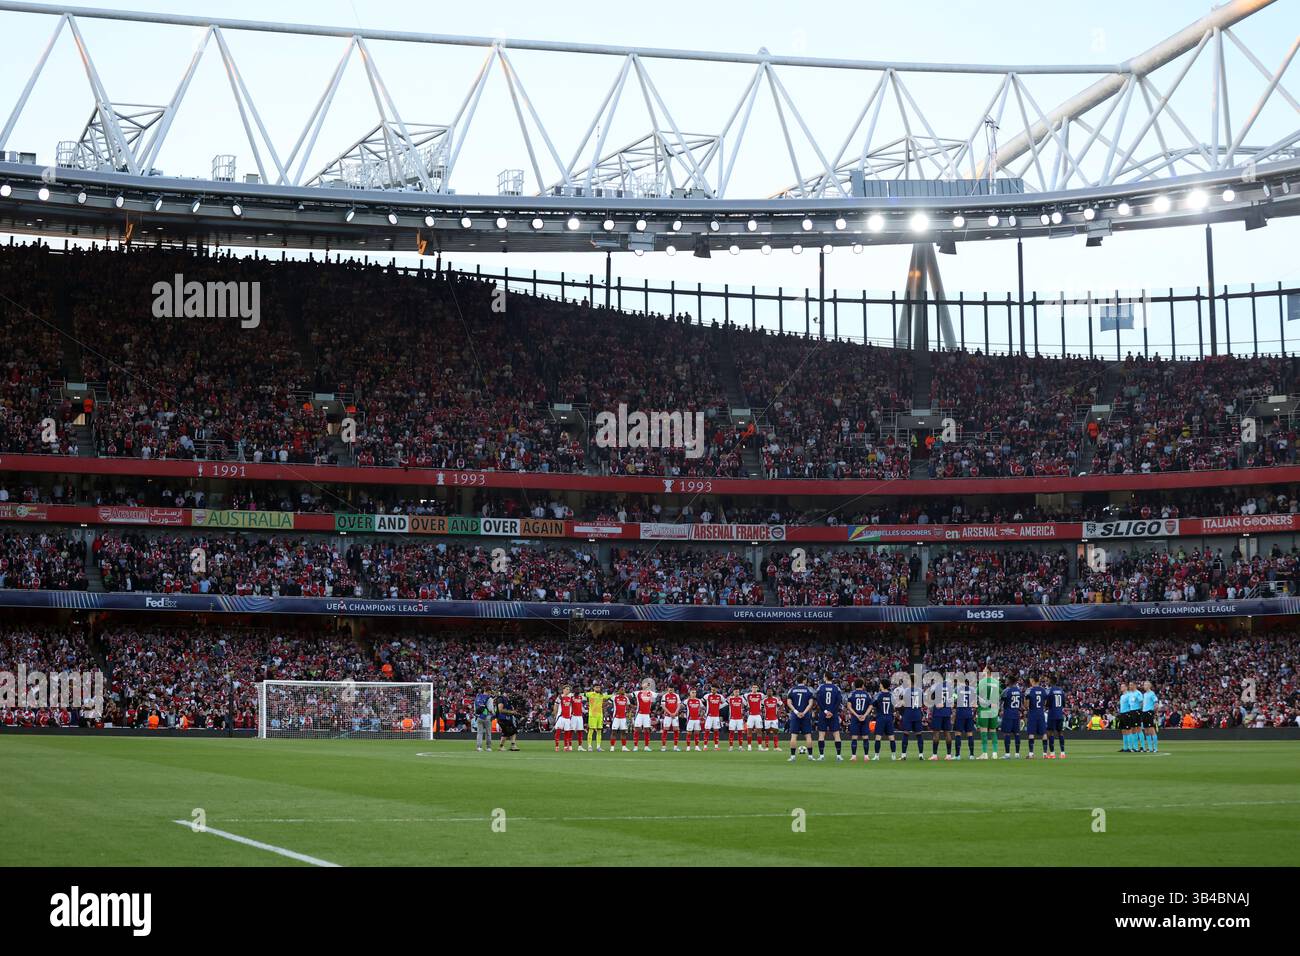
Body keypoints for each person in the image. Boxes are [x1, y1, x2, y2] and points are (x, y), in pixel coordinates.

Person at [814, 672, 843, 761]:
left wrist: (826, 711)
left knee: (821, 735)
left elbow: (818, 700)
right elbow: (838, 702)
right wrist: (832, 712)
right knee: (837, 735)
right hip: (833, 714)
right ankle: (838, 756)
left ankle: (821, 756)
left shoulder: (821, 687)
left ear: (826, 677)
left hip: (823, 713)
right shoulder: (836, 688)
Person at [786, 677, 816, 762]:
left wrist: (796, 712)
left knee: (793, 736)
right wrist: (804, 712)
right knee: (808, 736)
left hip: (795, 716)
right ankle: (810, 756)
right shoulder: (808, 690)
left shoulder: (792, 690)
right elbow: (810, 703)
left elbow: (789, 703)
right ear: (804, 681)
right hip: (805, 715)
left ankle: (792, 757)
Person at [977, 666, 1001, 759]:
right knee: (993, 731)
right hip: (994, 709)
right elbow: (1000, 693)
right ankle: (995, 753)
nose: (982, 671)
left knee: (984, 731)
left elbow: (977, 692)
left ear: (987, 671)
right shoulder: (996, 682)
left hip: (984, 709)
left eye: (983, 669)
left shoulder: (982, 682)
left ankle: (985, 753)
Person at [846, 679, 872, 762]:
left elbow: (849, 706)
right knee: (865, 737)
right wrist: (864, 715)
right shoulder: (867, 694)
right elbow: (870, 706)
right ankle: (866, 756)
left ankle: (853, 756)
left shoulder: (851, 694)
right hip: (865, 718)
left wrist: (857, 715)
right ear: (862, 685)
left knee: (854, 737)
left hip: (855, 718)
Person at [929, 676, 955, 761]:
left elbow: (932, 698)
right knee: (947, 733)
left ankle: (935, 755)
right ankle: (948, 755)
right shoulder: (950, 688)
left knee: (936, 733)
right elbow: (953, 699)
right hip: (947, 712)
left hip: (938, 712)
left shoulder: (936, 687)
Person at [871, 680, 897, 761]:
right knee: (891, 737)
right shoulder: (892, 695)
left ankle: (877, 756)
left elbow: (873, 704)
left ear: (882, 685)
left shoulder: (878, 695)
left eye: (880, 684)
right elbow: (895, 706)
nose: (879, 685)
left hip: (881, 718)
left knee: (878, 737)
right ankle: (893, 755)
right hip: (889, 718)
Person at [954, 673, 977, 759]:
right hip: (968, 713)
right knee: (970, 734)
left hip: (960, 713)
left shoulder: (957, 689)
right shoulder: (972, 689)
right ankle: (971, 755)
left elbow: (954, 701)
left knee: (958, 734)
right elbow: (974, 703)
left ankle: (957, 755)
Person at [1023, 676, 1048, 758]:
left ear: (1033, 680)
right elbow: (1045, 702)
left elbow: (1026, 704)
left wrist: (1027, 706)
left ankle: (1031, 754)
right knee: (1044, 733)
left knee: (1031, 733)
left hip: (1032, 713)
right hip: (1041, 712)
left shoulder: (1029, 690)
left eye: (1030, 679)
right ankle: (1045, 754)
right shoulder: (1043, 690)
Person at [1000, 680, 1024, 758]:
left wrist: (1001, 710)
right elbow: (1021, 704)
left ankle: (1007, 754)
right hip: (1016, 714)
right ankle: (1017, 754)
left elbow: (1001, 702)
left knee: (1007, 734)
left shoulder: (1006, 690)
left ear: (1009, 682)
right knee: (1017, 734)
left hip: (1008, 714)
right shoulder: (1019, 691)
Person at [1045, 677, 1067, 759]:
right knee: (1060, 733)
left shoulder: (1050, 691)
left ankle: (1052, 754)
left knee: (1050, 733)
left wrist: (1047, 706)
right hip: (1060, 714)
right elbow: (1064, 703)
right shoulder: (1061, 691)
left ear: (1051, 681)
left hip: (1052, 715)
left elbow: (1048, 704)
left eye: (1048, 680)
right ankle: (1062, 753)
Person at [1141, 680, 1159, 753]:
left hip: (1149, 712)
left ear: (1149, 686)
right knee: (1146, 731)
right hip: (1144, 712)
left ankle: (1155, 748)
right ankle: (1150, 748)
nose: (1144, 686)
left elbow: (1156, 704)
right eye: (1144, 685)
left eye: (1145, 685)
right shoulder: (1144, 694)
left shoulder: (1152, 694)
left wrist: (1154, 713)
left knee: (1151, 730)